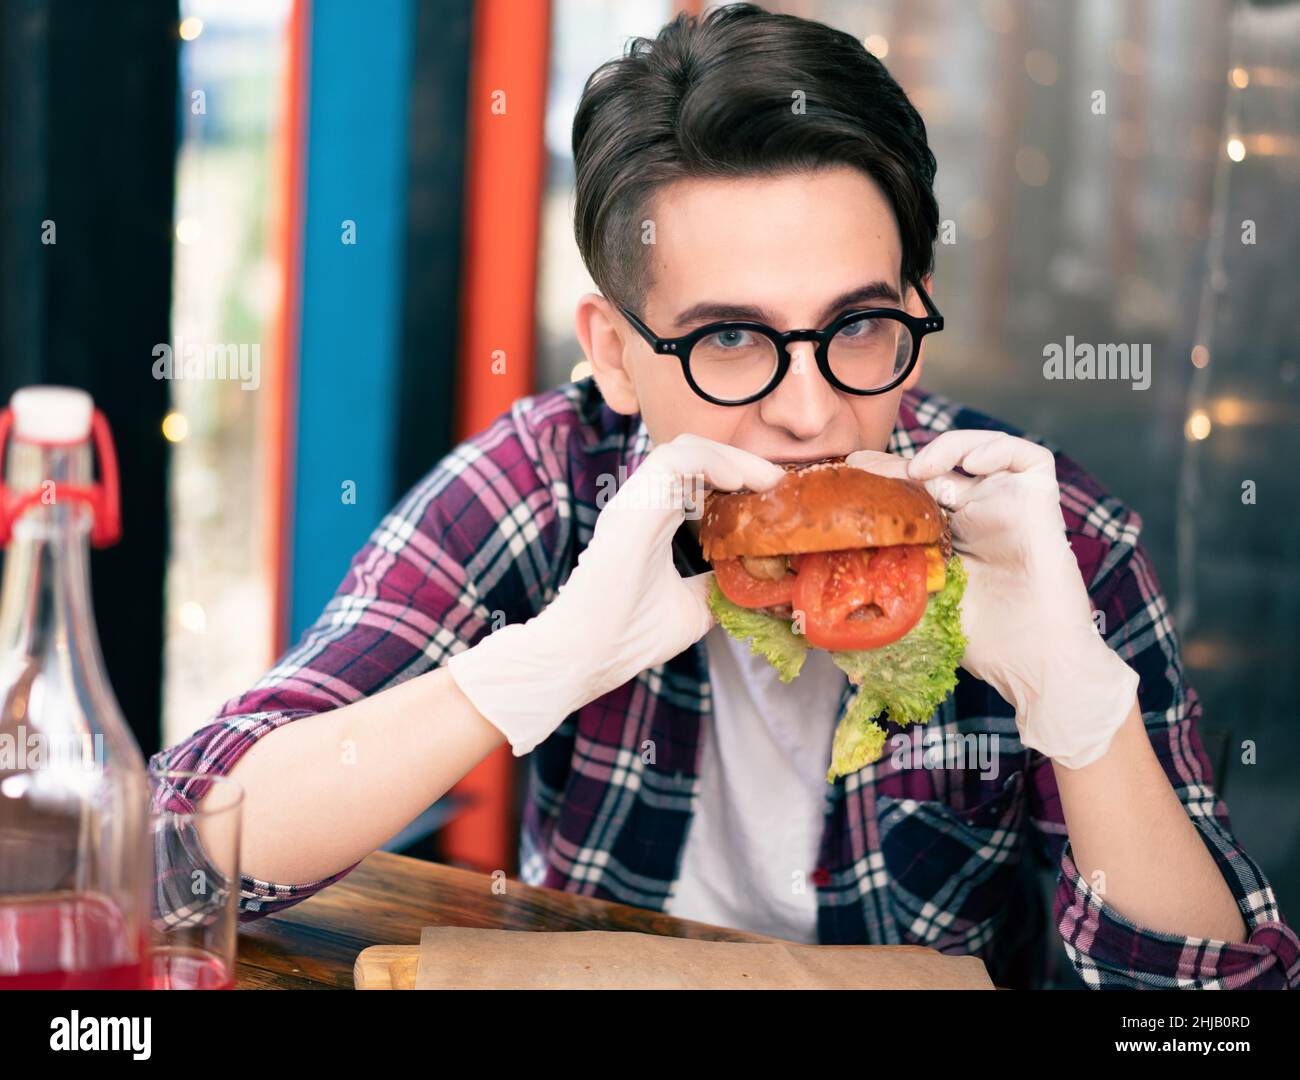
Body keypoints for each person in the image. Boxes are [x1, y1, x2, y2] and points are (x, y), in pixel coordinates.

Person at [150, 3, 1297, 988]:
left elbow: (1201, 1017)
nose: (808, 412)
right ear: (610, 350)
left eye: (858, 326)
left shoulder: (1049, 535)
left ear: (918, 306)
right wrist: (533, 670)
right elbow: (179, 851)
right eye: (732, 340)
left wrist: (1079, 708)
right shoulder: (552, 479)